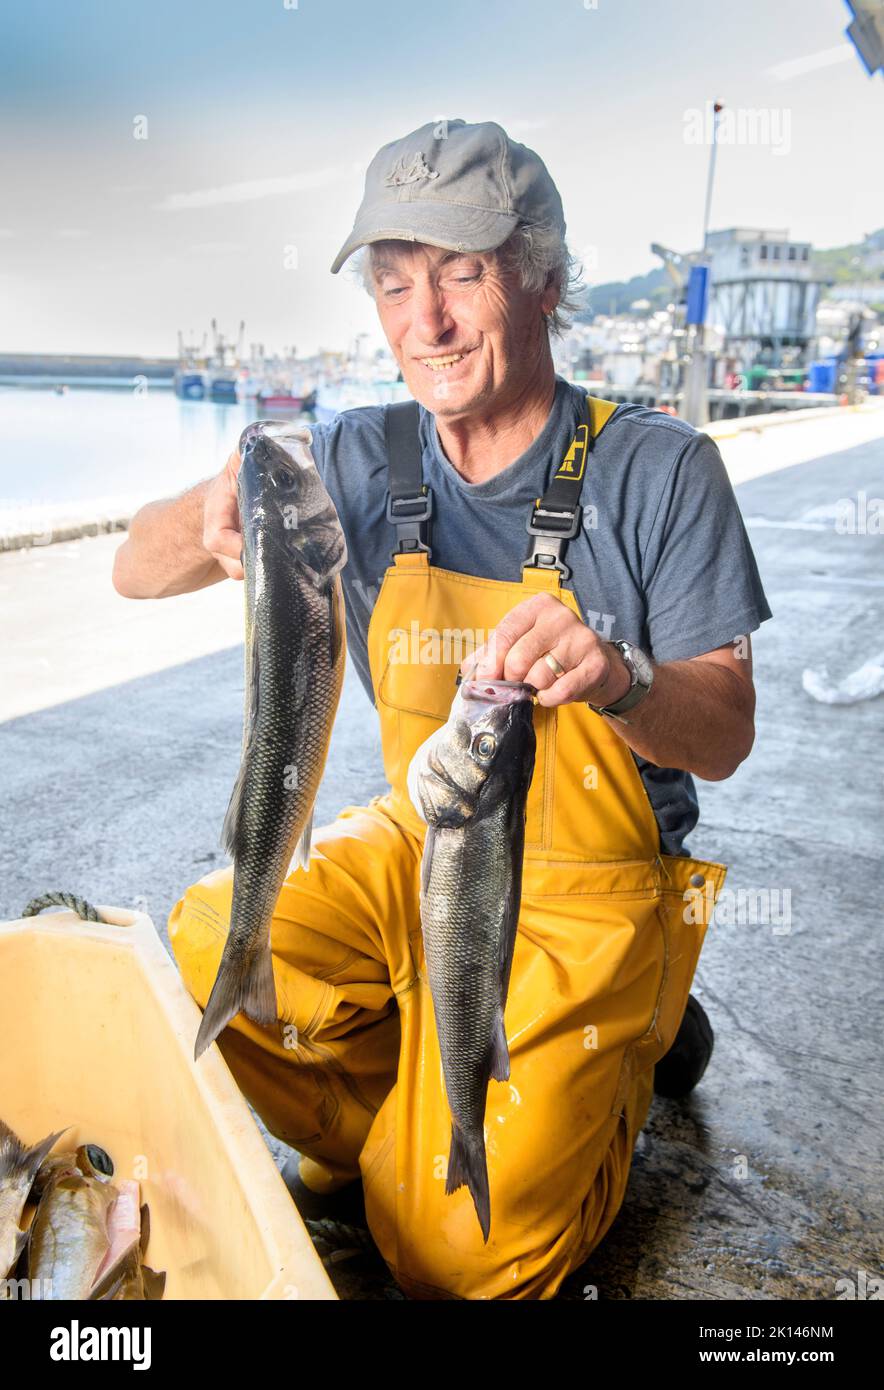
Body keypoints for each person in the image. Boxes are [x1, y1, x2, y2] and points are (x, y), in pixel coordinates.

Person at [113, 119, 772, 1300]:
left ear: (546, 281)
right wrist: (207, 511)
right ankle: (420, 1121)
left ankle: (622, 1060)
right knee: (219, 939)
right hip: (432, 840)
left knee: (458, 1260)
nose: (426, 323)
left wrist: (616, 672)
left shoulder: (660, 470)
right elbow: (135, 570)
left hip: (590, 889)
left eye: (462, 274)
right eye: (393, 282)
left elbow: (722, 734)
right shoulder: (356, 459)